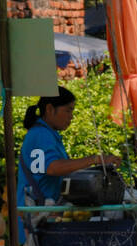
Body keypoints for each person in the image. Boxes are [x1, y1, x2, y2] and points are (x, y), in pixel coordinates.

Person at [17, 87, 119, 215]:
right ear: (49, 109)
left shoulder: (47, 133)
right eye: (68, 110)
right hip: (35, 219)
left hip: (42, 213)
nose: (71, 117)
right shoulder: (41, 134)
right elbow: (52, 167)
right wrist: (95, 159)